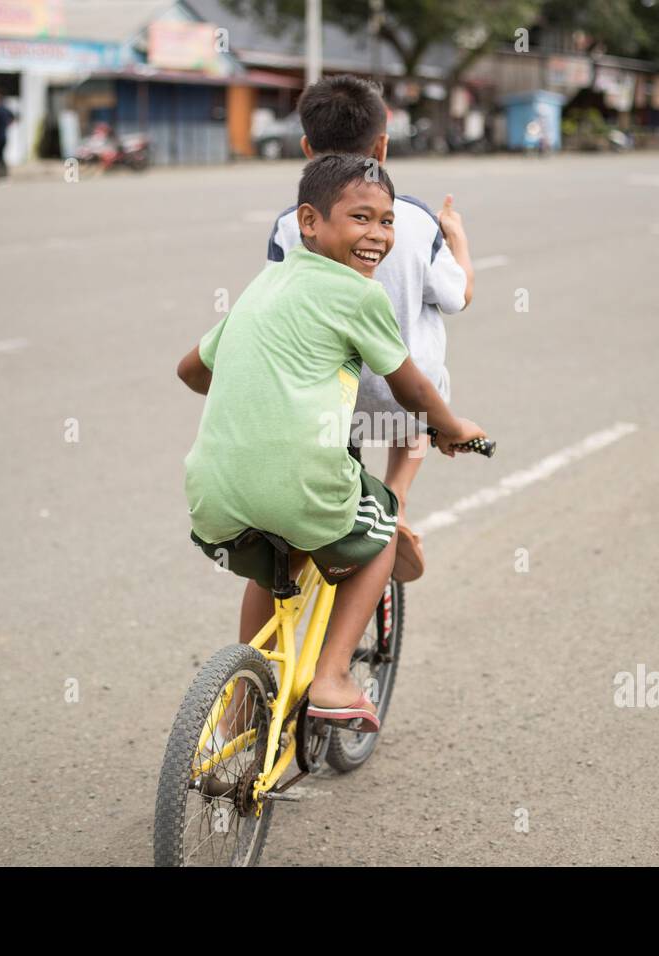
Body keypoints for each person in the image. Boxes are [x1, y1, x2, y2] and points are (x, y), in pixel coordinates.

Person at [178, 154, 486, 730]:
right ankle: (335, 677)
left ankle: (241, 710)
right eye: (361, 218)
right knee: (383, 530)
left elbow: (190, 371)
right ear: (310, 221)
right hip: (300, 487)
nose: (378, 235)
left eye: (387, 221)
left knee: (275, 562)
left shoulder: (265, 282)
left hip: (213, 494)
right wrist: (453, 427)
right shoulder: (359, 296)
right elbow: (413, 386)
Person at [264, 75, 474, 583]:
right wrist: (458, 240)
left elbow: (274, 303)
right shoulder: (413, 218)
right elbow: (456, 297)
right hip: (406, 405)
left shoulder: (294, 223)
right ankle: (396, 499)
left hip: (325, 408)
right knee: (425, 385)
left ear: (307, 148)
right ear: (382, 146)